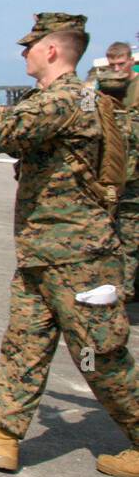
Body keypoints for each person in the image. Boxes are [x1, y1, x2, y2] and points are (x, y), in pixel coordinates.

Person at [0, 14, 139, 477]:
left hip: (77, 256)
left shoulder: (67, 98)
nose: (23, 52)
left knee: (102, 357)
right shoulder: (62, 101)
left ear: (51, 50)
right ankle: (1, 436)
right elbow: (17, 134)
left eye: (30, 46)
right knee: (23, 345)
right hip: (44, 253)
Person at [98, 68, 139, 304]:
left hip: (100, 194)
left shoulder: (97, 122)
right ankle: (123, 292)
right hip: (131, 195)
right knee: (129, 246)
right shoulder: (134, 123)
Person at [105, 40, 138, 109]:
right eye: (112, 65)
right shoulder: (106, 86)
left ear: (131, 61)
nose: (116, 69)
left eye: (121, 64)